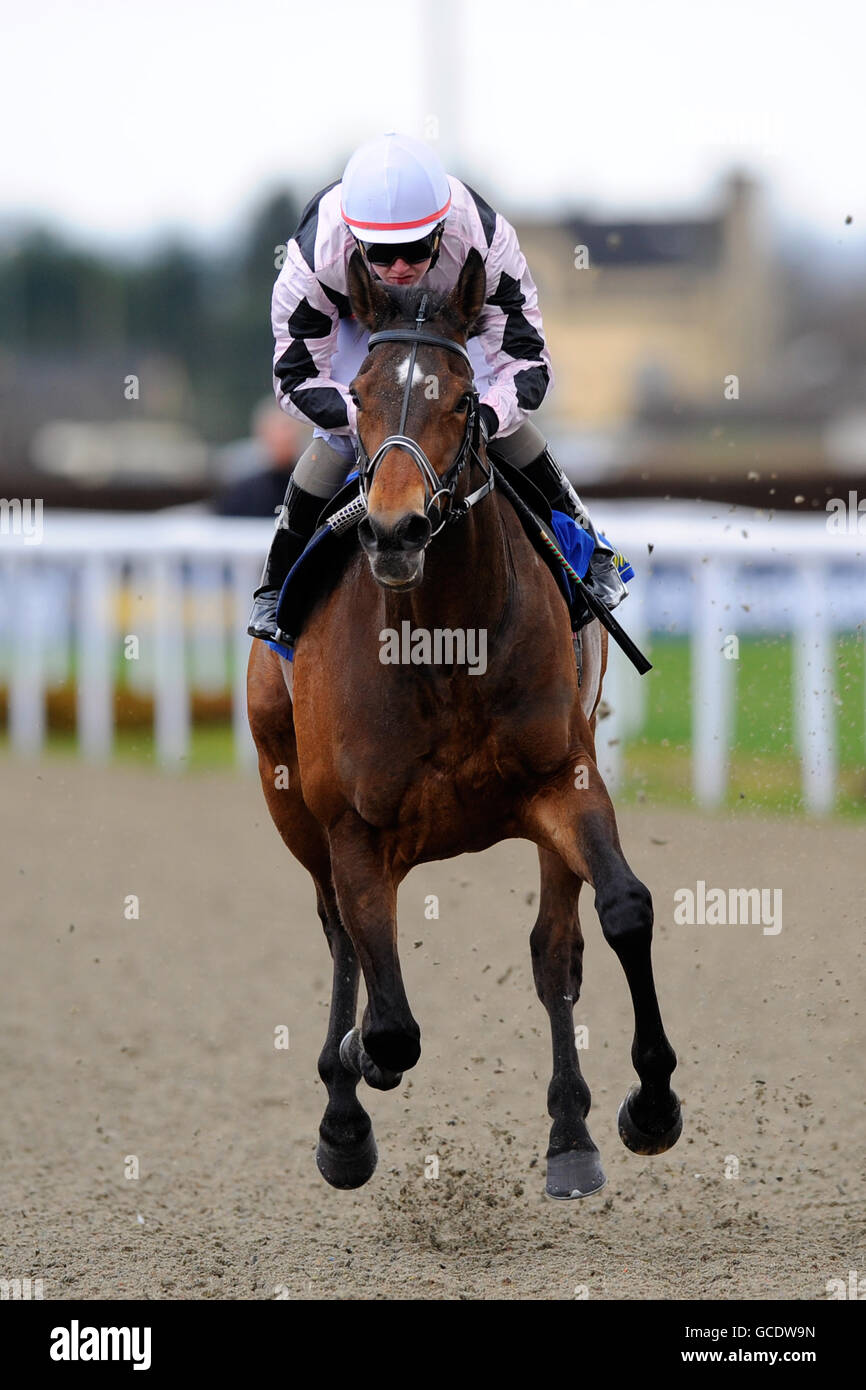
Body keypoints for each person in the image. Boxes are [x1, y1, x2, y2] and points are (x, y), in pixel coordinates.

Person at [248, 131, 627, 642]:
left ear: (442, 229)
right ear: (355, 241)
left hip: (455, 328)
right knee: (337, 438)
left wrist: (481, 416)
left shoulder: (485, 241)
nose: (399, 267)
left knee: (504, 425)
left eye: (414, 249)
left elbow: (529, 363)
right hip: (366, 330)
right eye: (381, 254)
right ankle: (275, 588)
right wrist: (372, 413)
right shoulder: (314, 259)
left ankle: (592, 553)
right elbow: (294, 378)